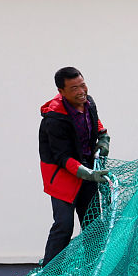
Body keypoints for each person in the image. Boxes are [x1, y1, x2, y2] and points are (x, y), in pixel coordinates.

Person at [39, 67, 110, 265]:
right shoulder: (54, 119)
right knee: (64, 225)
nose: (81, 91)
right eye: (74, 88)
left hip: (88, 170)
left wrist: (103, 138)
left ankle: (92, 269)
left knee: (93, 223)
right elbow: (62, 157)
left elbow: (96, 124)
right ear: (61, 92)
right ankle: (49, 273)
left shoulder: (89, 103)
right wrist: (87, 174)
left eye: (82, 85)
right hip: (62, 176)